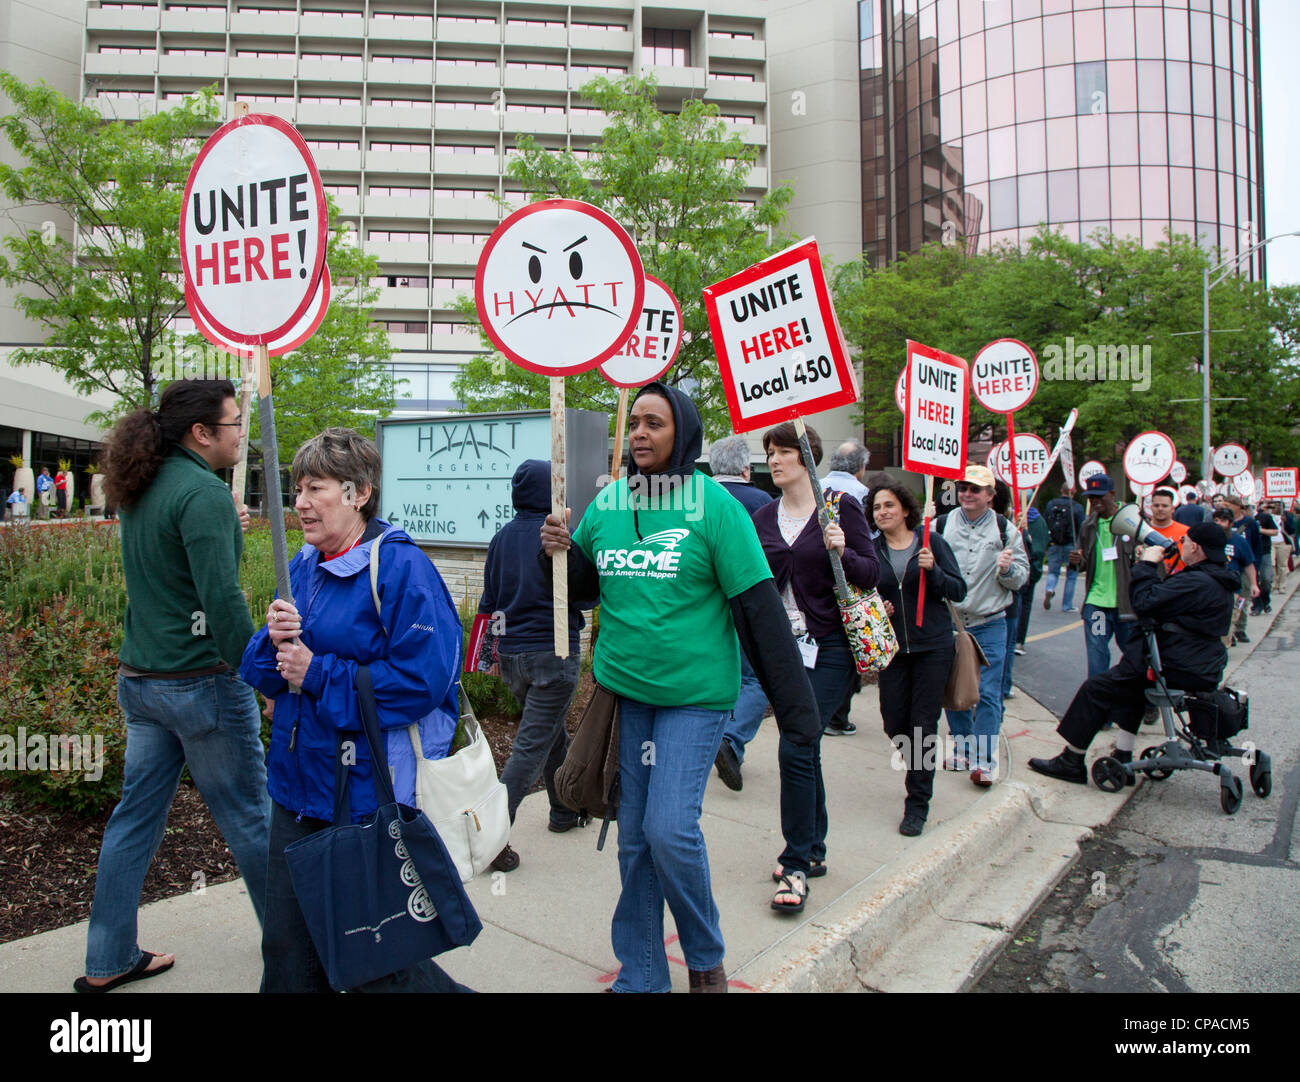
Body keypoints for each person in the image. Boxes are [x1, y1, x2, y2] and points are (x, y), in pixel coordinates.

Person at [540, 382, 821, 992]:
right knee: (635, 841)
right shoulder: (609, 503)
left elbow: (759, 613)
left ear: (683, 434)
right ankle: (641, 977)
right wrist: (558, 553)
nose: (640, 433)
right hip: (626, 695)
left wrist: (798, 713)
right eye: (634, 422)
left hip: (694, 700)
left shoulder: (715, 507)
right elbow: (585, 587)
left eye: (655, 423)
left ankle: (704, 959)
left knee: (669, 830)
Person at [241, 427, 468, 993]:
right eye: (297, 489)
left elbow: (423, 681)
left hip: (365, 794)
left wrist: (320, 673)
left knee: (376, 958)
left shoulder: (400, 570)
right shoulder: (304, 564)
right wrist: (272, 641)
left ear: (359, 492)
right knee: (287, 947)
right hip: (295, 786)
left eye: (316, 487)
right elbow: (266, 669)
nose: (301, 503)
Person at [76, 380, 268, 993]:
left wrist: (225, 520)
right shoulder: (202, 493)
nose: (243, 433)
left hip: (141, 682)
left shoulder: (144, 487)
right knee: (251, 819)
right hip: (201, 685)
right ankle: (298, 950)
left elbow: (171, 568)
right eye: (235, 423)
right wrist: (260, 674)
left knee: (134, 819)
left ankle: (107, 959)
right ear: (202, 433)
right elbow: (222, 600)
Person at [753, 421, 880, 901]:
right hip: (785, 653)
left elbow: (873, 572)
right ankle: (817, 847)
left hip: (831, 649)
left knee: (796, 744)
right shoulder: (763, 518)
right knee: (807, 747)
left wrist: (842, 550)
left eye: (784, 450)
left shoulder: (840, 507)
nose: (775, 459)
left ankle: (794, 862)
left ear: (806, 457)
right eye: (769, 452)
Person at [1028, 523, 1239, 784]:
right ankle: (1123, 755)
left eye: (1184, 540)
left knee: (1096, 689)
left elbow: (1144, 602)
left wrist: (1146, 565)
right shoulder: (1219, 579)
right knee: (1132, 692)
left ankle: (1071, 760)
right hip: (1199, 665)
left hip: (1174, 665)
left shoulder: (1196, 581)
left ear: (1195, 547)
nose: (1181, 543)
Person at [476, 459, 589, 870]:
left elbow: (488, 605)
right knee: (527, 751)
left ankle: (562, 811)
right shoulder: (558, 539)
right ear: (550, 494)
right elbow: (586, 597)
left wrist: (486, 657)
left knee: (549, 734)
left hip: (512, 660)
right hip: (553, 655)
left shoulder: (500, 539)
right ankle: (491, 838)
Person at [870, 480, 966, 836]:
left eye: (889, 506)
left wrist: (933, 571)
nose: (882, 512)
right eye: (878, 507)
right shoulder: (872, 549)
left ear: (906, 510)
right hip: (893, 650)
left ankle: (917, 802)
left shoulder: (931, 542)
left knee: (922, 727)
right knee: (894, 723)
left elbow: (958, 590)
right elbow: (862, 594)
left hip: (933, 648)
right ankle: (917, 766)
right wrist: (878, 607)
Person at [937, 465, 1028, 785]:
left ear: (990, 495)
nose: (967, 494)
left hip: (990, 624)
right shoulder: (940, 525)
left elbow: (1021, 578)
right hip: (950, 624)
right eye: (963, 488)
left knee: (988, 694)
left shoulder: (1007, 531)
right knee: (955, 689)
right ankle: (962, 750)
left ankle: (983, 761)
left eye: (976, 489)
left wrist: (1007, 570)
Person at [710, 434, 773, 791]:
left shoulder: (697, 497)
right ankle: (731, 740)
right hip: (746, 603)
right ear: (747, 468)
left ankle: (712, 744)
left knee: (717, 679)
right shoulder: (763, 502)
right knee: (756, 679)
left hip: (703, 607)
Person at [819, 439, 873, 734]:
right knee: (849, 653)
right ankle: (838, 715)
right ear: (862, 468)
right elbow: (870, 549)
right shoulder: (861, 496)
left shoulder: (817, 489)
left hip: (814, 592)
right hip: (850, 591)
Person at [1071, 474, 1138, 678]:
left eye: (1100, 496)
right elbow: (1083, 564)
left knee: (1134, 655)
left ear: (1112, 494)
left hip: (1126, 606)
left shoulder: (1132, 522)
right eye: (1091, 497)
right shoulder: (1088, 526)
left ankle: (1141, 701)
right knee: (1097, 654)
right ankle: (1097, 700)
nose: (1095, 501)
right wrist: (1076, 561)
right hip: (1097, 604)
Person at [1214, 507, 1258, 646]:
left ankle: (1224, 649)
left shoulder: (1238, 541)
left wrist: (1254, 584)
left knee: (1230, 621)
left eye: (1223, 521)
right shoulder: (1206, 539)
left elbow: (1249, 564)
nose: (1219, 523)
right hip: (1212, 588)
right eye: (1216, 520)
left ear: (1231, 524)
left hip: (1233, 589)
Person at [1012, 502, 1048, 661]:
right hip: (1021, 571)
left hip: (1028, 572)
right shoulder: (1011, 520)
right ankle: (1017, 639)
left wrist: (1026, 537)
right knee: (1020, 605)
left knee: (1021, 605)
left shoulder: (1036, 522)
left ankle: (1017, 639)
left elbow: (1038, 549)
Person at [1223, 495, 1262, 640]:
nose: (1224, 506)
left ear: (1238, 506)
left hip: (1244, 565)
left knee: (1242, 598)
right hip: (1229, 568)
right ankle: (1230, 630)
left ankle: (1240, 627)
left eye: (1228, 504)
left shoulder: (1250, 523)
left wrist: (1255, 566)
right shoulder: (1219, 522)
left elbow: (1256, 545)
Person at [1042, 485, 1084, 611]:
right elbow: (1082, 527)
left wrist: (1047, 543)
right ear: (1074, 491)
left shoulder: (1051, 504)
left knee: (1053, 571)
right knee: (1071, 575)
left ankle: (1050, 588)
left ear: (1061, 490)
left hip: (1054, 543)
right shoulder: (1077, 507)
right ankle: (1067, 605)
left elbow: (1045, 523)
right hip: (1071, 545)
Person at [1149, 487, 1189, 574]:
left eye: (1165, 506)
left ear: (1173, 508)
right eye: (1156, 505)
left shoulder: (1186, 532)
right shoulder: (1142, 530)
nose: (1160, 509)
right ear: (1151, 507)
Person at [1253, 500, 1278, 614]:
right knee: (1254, 580)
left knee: (1266, 579)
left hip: (1264, 552)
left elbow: (1275, 531)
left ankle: (1265, 601)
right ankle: (1256, 606)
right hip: (1251, 553)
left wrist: (1260, 530)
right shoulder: (1246, 519)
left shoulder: (1265, 517)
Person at [1271, 500, 1292, 593]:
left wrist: (1285, 522)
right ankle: (1273, 584)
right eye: (1275, 506)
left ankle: (1282, 586)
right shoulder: (1269, 516)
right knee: (1272, 564)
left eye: (1279, 506)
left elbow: (1292, 530)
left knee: (1282, 565)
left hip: (1283, 543)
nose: (1277, 508)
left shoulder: (1287, 516)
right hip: (1271, 543)